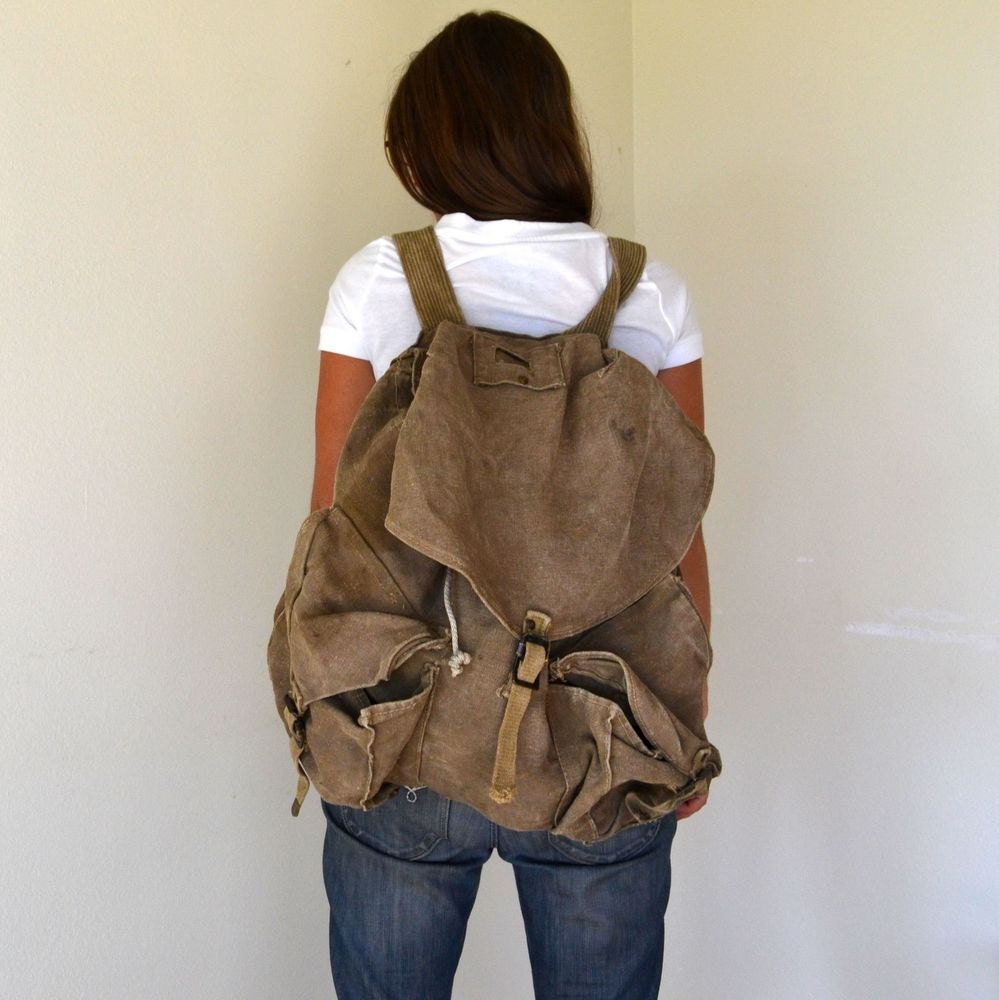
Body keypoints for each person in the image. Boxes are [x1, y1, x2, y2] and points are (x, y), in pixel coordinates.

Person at [309, 11, 710, 1000]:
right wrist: (685, 724)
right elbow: (680, 532)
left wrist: (315, 705)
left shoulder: (378, 284)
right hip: (602, 728)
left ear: (425, 148)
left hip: (405, 723)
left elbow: (332, 528)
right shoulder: (646, 291)